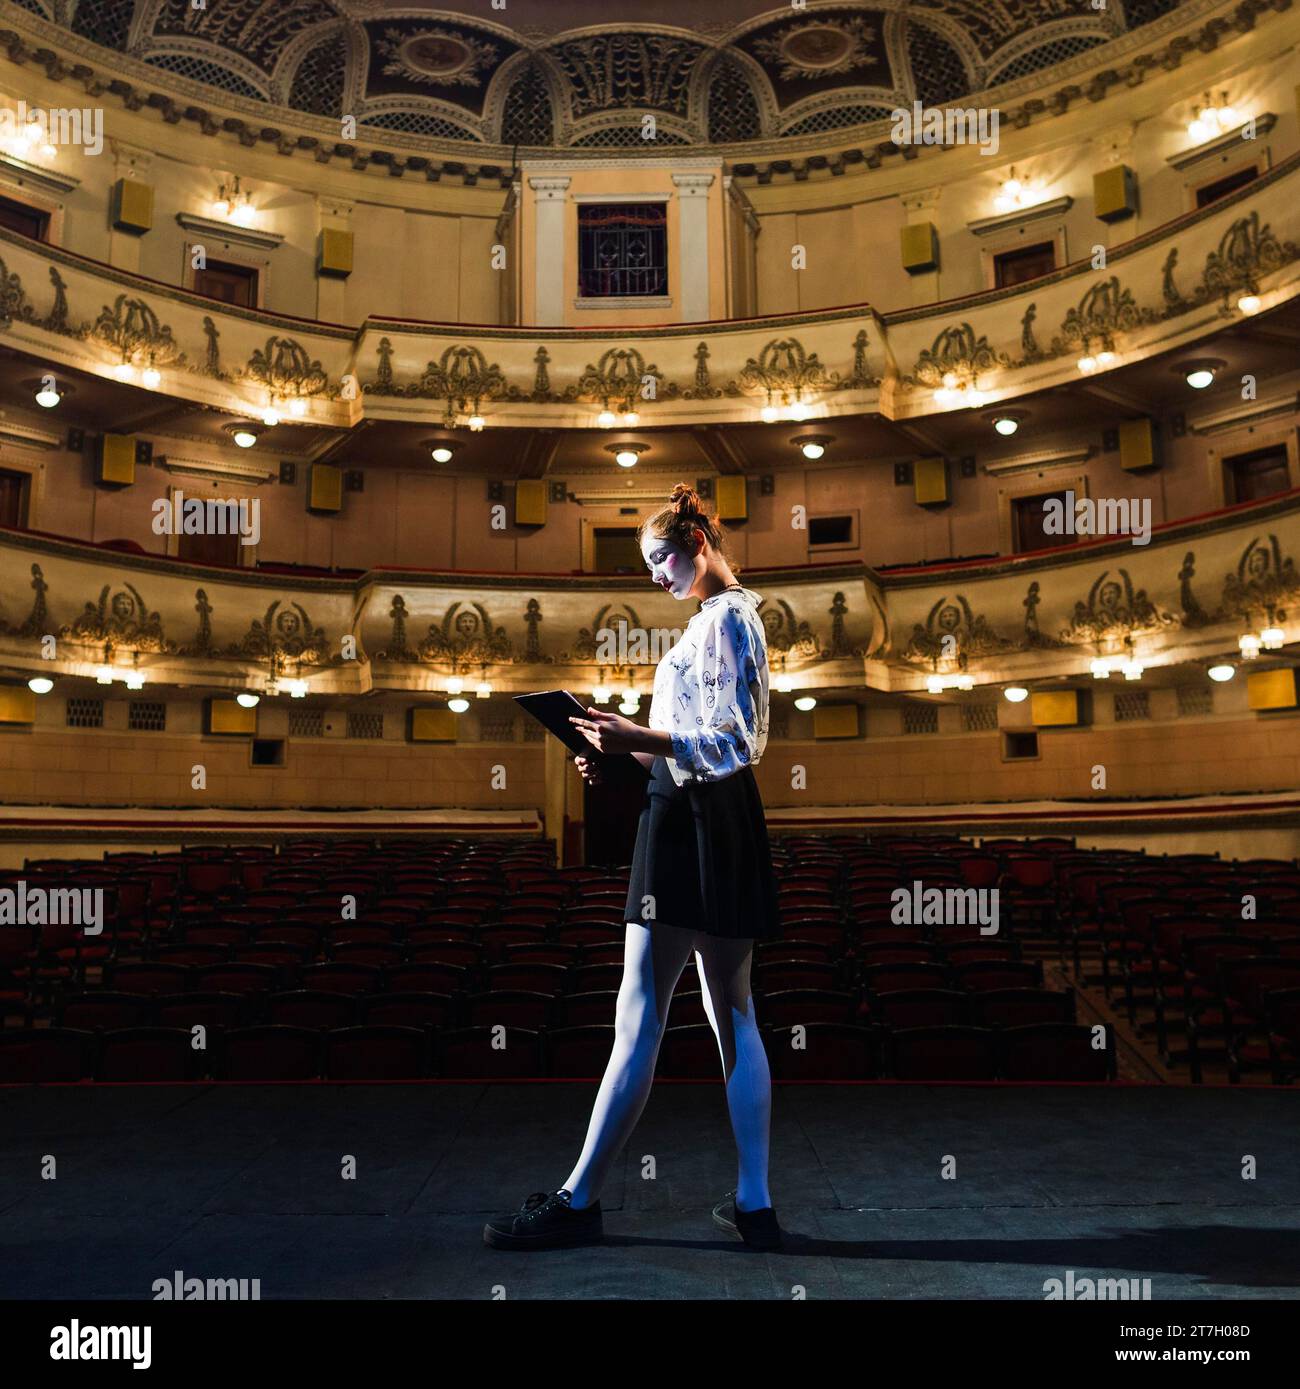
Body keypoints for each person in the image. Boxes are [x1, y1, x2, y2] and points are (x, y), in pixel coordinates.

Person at [484, 483, 784, 1252]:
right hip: (697, 813)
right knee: (730, 1010)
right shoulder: (712, 622)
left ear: (699, 544)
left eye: (661, 559)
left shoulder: (732, 617)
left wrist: (638, 742)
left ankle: (579, 1198)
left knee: (651, 1012)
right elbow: (690, 739)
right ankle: (753, 1205)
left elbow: (739, 743)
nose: (654, 576)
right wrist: (615, 756)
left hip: (697, 821)